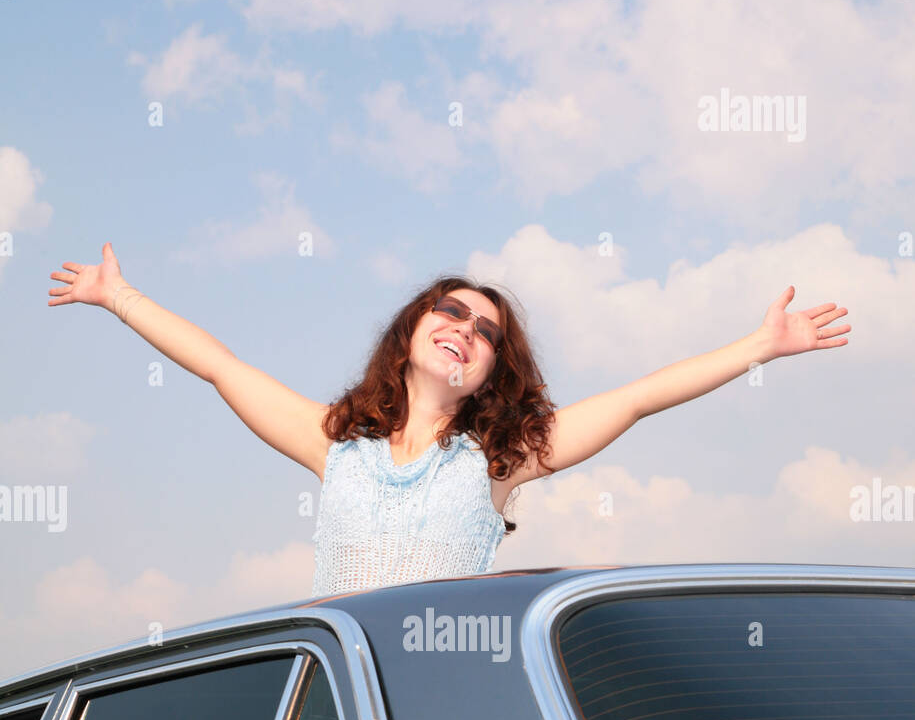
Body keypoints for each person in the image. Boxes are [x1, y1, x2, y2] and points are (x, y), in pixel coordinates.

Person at [48, 243, 850, 597]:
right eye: (452, 312)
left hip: (439, 704)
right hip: (337, 704)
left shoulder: (498, 461)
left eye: (487, 332)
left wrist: (759, 345)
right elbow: (221, 365)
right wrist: (118, 297)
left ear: (493, 371)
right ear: (411, 331)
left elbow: (638, 396)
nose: (467, 329)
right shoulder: (337, 448)